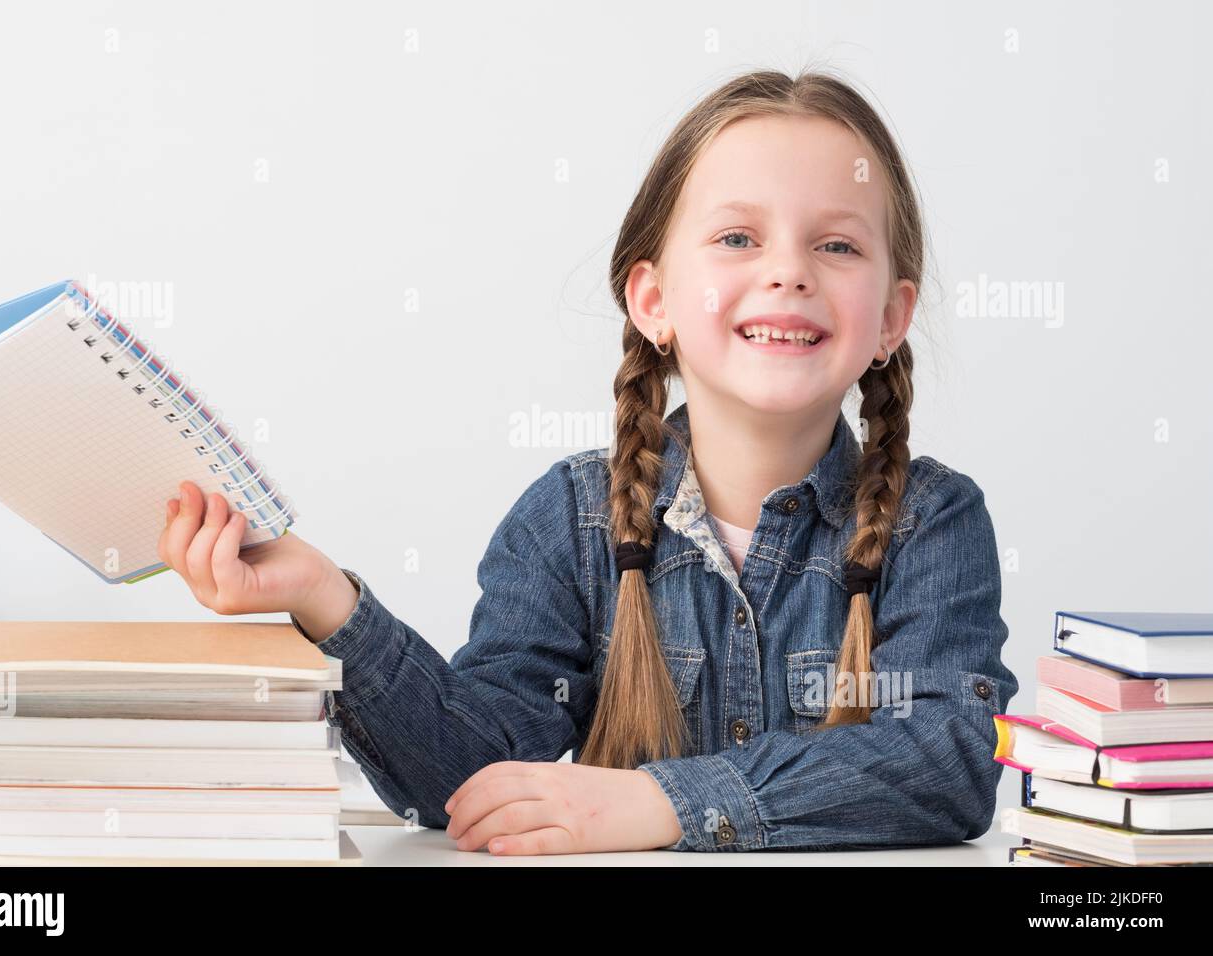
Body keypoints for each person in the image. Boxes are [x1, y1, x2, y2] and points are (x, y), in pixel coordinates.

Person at [157, 68, 1018, 854]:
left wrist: (663, 802)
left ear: (892, 317)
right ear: (653, 300)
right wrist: (321, 596)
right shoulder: (570, 523)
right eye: (737, 239)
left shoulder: (931, 523)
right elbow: (468, 776)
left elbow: (947, 761)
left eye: (837, 246)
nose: (789, 270)